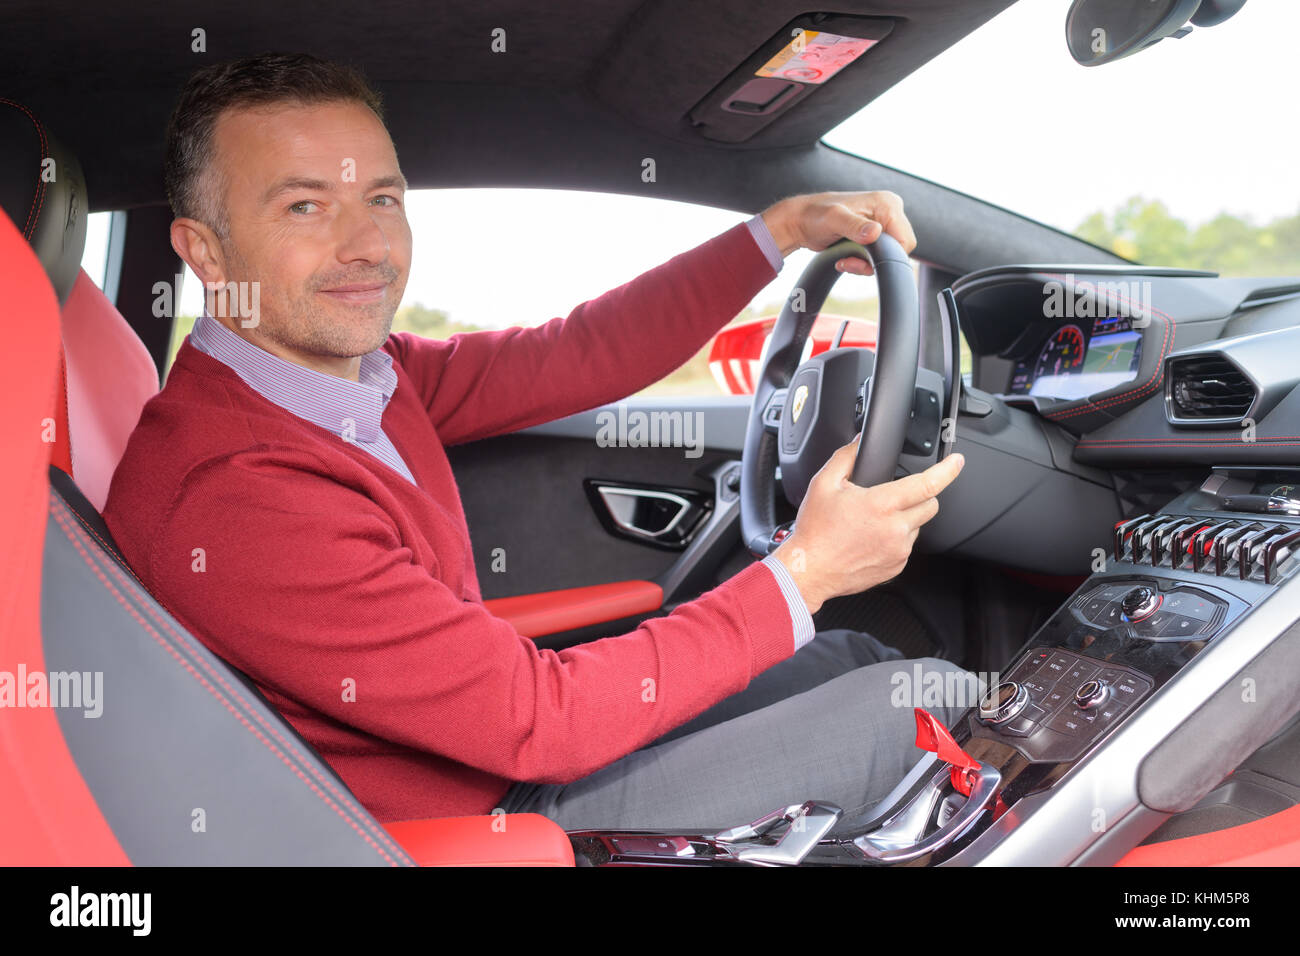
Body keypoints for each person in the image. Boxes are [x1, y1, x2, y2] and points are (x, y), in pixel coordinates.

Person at [103, 52, 972, 835]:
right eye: (305, 206)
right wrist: (808, 570)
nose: (368, 245)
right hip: (473, 827)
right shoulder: (237, 494)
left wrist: (776, 231)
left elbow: (578, 352)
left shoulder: (358, 378)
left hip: (496, 749)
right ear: (205, 254)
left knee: (855, 660)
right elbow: (543, 722)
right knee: (923, 709)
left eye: (383, 199)